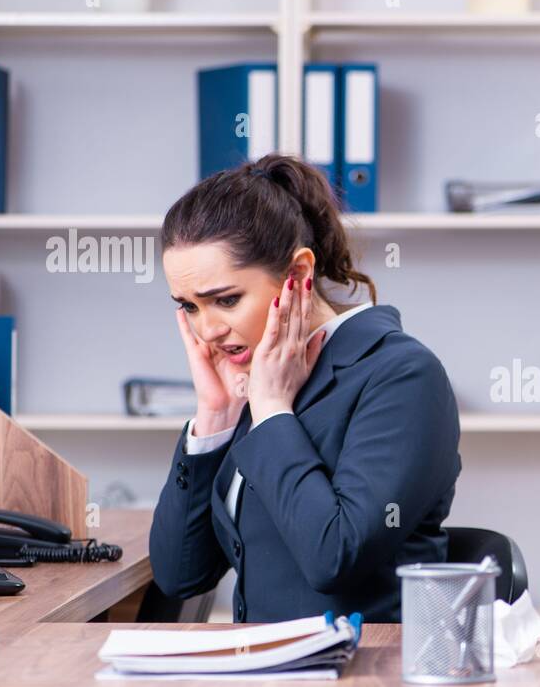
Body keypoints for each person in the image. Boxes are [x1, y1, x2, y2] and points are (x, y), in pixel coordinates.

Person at [149, 153, 461, 622]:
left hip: (365, 677)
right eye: (190, 307)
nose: (207, 329)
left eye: (226, 300)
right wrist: (214, 417)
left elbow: (334, 557)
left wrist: (273, 410)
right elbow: (179, 576)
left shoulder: (401, 375)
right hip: (264, 678)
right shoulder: (253, 379)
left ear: (297, 274)